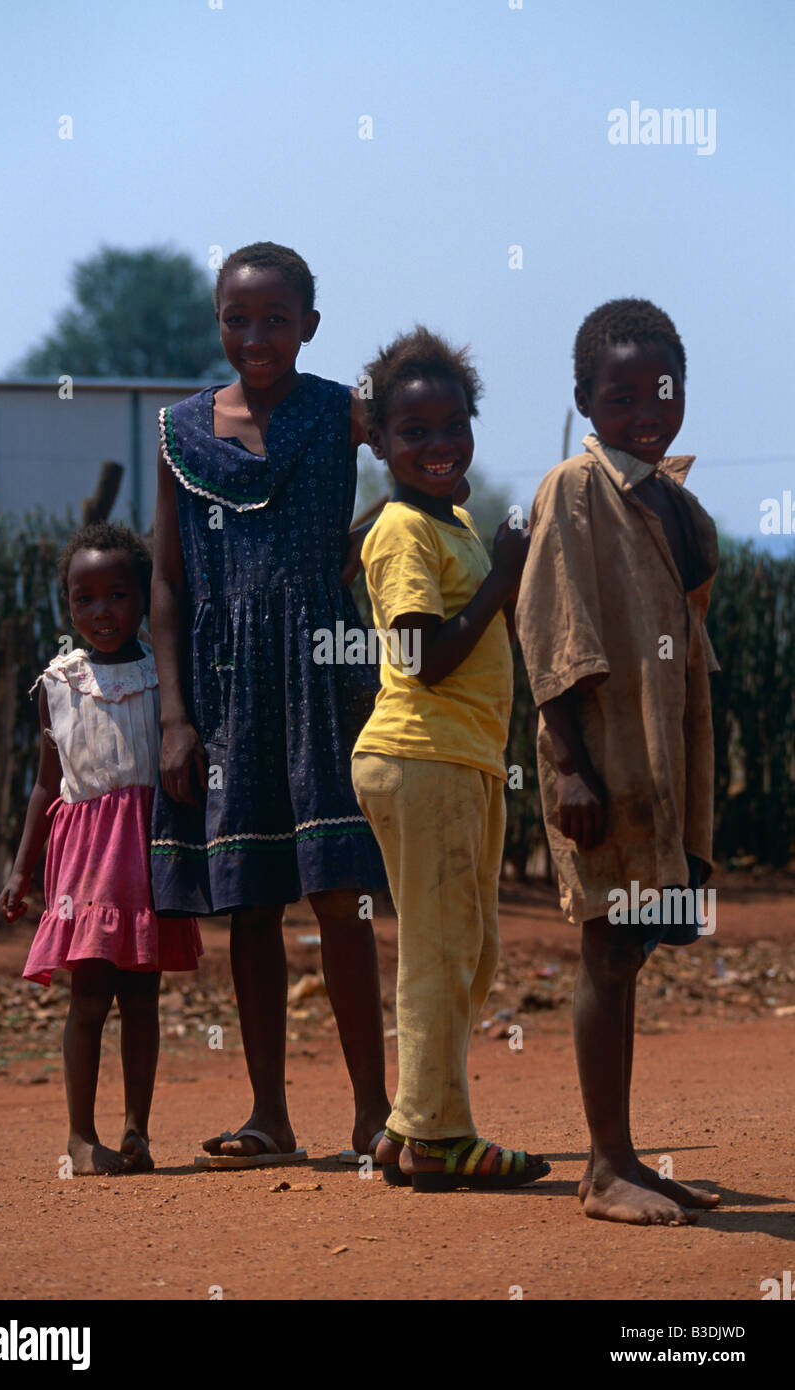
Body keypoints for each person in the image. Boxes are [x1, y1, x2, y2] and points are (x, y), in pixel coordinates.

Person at [150, 242, 390, 1167]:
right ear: (218, 323)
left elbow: (427, 437)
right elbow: (167, 583)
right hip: (223, 690)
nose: (256, 337)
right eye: (237, 320)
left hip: (324, 673)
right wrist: (176, 715)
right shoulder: (179, 430)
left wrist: (369, 547)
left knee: (340, 895)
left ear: (310, 327)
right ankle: (269, 1117)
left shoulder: (339, 411)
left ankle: (374, 1114)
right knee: (249, 902)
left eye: (276, 320)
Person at [515, 298, 722, 1225]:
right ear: (584, 399)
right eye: (622, 391)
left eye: (663, 389)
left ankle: (626, 1155)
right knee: (605, 945)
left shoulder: (679, 507)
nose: (647, 406)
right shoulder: (574, 488)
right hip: (599, 760)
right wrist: (567, 765)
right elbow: (550, 631)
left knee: (631, 948)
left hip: (661, 765)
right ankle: (604, 1168)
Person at [351, 326, 550, 1192]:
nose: (437, 445)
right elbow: (420, 660)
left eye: (451, 427)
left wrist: (503, 564)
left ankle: (406, 1124)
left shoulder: (453, 523)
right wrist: (502, 578)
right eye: (414, 432)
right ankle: (440, 1136)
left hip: (456, 759)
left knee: (465, 954)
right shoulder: (402, 531)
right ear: (383, 442)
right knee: (442, 954)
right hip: (421, 755)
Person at [0, 522, 202, 1175]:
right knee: (88, 994)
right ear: (68, 605)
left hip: (147, 857)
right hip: (85, 865)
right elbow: (42, 785)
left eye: (117, 595)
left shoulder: (164, 678)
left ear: (144, 597)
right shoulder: (58, 683)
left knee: (142, 996)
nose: (102, 611)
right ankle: (81, 1139)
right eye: (85, 599)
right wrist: (21, 867)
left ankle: (136, 1130)